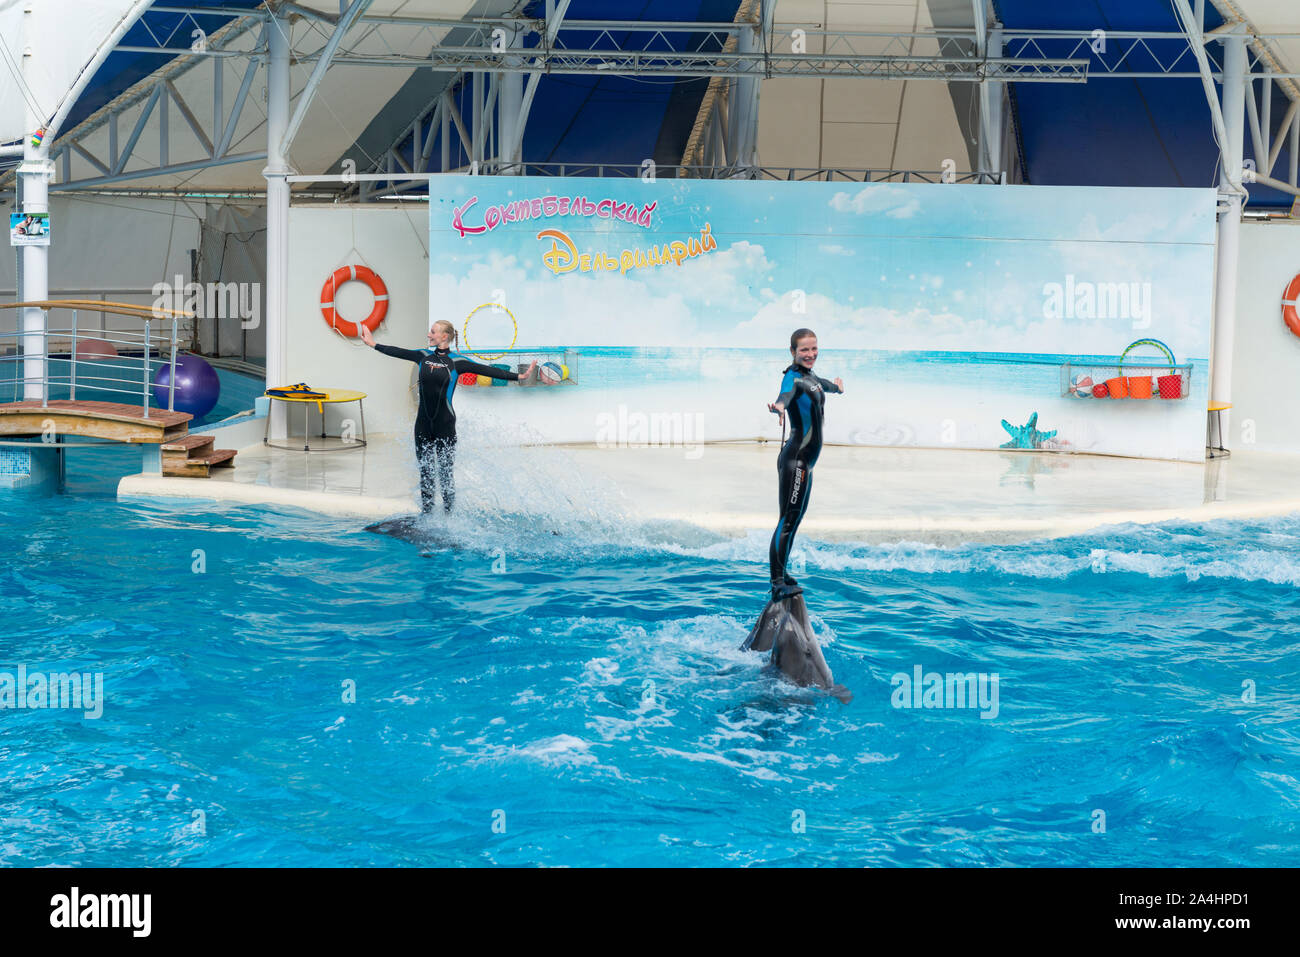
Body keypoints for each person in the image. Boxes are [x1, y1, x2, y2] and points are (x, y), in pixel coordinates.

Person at [360, 319, 539, 513]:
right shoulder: (422, 356)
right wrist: (373, 344)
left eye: (433, 332)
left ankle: (449, 516)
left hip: (445, 424)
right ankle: (427, 514)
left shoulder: (457, 362)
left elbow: (487, 370)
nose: (429, 335)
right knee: (425, 473)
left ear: (444, 336)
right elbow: (399, 351)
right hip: (422, 424)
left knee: (445, 474)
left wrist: (519, 376)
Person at [766, 328, 844, 598]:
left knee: (795, 520)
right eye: (804, 350)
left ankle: (783, 572)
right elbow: (785, 395)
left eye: (814, 349)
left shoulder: (811, 377)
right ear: (793, 352)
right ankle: (777, 582)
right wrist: (778, 406)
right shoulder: (792, 377)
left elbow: (824, 385)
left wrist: (837, 388)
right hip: (795, 461)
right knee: (787, 521)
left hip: (807, 464)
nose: (810, 354)